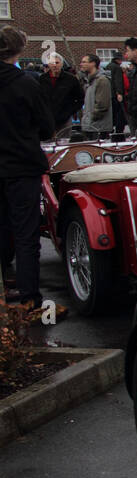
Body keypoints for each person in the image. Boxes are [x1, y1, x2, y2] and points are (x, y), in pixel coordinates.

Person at [0, 25, 54, 309]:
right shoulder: (26, 83)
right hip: (21, 164)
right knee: (25, 234)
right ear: (19, 50)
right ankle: (30, 299)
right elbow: (46, 127)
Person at [39, 53, 83, 130]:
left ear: (62, 64)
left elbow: (80, 98)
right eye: (52, 63)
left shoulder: (71, 79)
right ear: (48, 64)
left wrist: (71, 111)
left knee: (64, 141)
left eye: (57, 63)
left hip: (65, 119)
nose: (54, 65)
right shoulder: (42, 79)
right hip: (47, 119)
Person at [78, 54, 112, 135]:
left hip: (98, 128)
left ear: (93, 63)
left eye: (84, 62)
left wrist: (92, 118)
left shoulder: (101, 80)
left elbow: (102, 105)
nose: (81, 64)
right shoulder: (89, 81)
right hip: (90, 126)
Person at [108, 51, 128, 133]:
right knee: (120, 115)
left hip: (109, 94)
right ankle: (119, 132)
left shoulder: (108, 66)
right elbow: (118, 81)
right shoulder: (117, 68)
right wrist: (119, 93)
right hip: (116, 95)